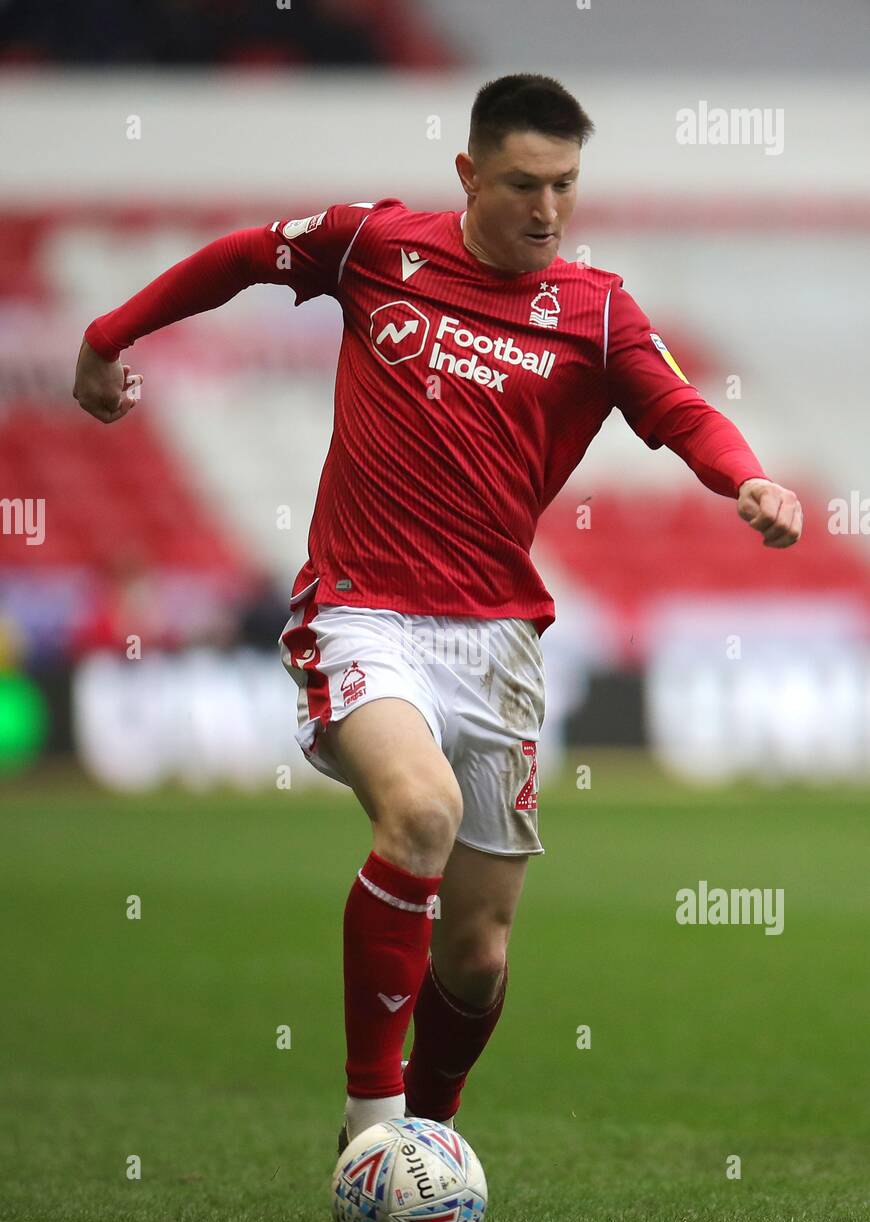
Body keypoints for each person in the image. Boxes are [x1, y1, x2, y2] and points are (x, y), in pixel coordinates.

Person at [73, 73, 803, 1157]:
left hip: (497, 640)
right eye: (523, 183)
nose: (547, 209)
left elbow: (682, 409)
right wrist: (105, 334)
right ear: (469, 172)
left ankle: (427, 1127)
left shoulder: (597, 312)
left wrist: (745, 478)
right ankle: (371, 1133)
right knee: (414, 813)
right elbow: (237, 258)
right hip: (363, 608)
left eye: (565, 185)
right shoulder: (373, 247)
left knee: (481, 952)